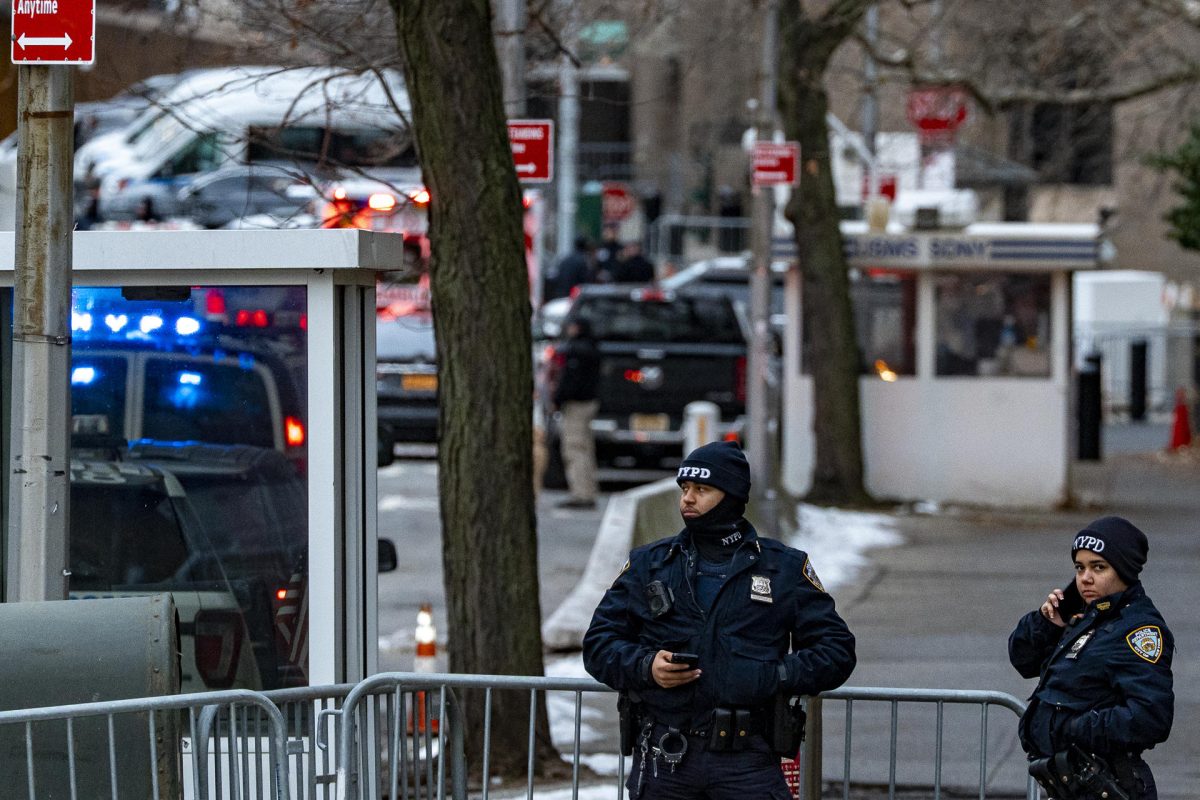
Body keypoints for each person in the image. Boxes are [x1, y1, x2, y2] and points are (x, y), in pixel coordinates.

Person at [583, 441, 856, 799]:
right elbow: (599, 644)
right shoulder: (650, 563)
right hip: (667, 758)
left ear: (731, 496)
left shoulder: (782, 568)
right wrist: (647, 666)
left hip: (748, 762)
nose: (688, 499)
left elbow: (836, 651)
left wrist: (775, 676)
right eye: (684, 489)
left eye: (702, 489)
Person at [1008, 516, 1174, 800]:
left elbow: (1150, 717)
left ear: (1124, 570)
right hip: (1069, 785)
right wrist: (1049, 621)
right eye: (1079, 568)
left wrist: (1072, 728)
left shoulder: (1138, 629)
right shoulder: (1087, 618)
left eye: (1099, 567)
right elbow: (1022, 658)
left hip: (1109, 784)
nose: (1085, 578)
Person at [551, 319, 601, 509]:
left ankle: (580, 493)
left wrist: (558, 399)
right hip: (589, 403)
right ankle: (588, 490)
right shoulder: (592, 349)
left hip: (575, 405)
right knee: (586, 449)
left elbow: (569, 381)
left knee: (574, 449)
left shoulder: (574, 351)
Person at [545, 236, 593, 301]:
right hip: (573, 297)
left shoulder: (566, 259)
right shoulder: (582, 261)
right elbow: (584, 282)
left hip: (560, 295)